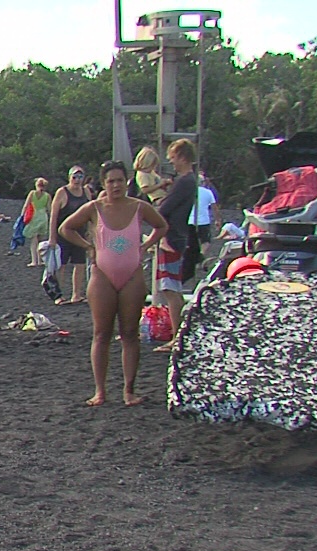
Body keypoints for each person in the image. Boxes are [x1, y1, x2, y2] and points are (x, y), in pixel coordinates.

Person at [59, 161, 169, 406]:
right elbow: (65, 228)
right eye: (111, 181)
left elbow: (161, 226)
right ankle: (100, 391)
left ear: (127, 181)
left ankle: (129, 390)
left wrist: (146, 246)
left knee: (130, 333)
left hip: (132, 275)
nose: (116, 185)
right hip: (102, 276)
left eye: (120, 180)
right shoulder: (94, 208)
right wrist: (88, 247)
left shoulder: (139, 207)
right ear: (103, 183)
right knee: (101, 333)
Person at [152, 139, 199, 353]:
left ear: (181, 156)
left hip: (172, 238)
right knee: (172, 289)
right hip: (177, 236)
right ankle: (178, 334)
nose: (171, 161)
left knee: (170, 289)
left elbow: (166, 208)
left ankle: (176, 337)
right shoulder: (188, 181)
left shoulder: (185, 181)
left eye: (172, 157)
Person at [48, 166, 92, 303]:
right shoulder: (62, 192)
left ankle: (76, 294)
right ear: (69, 178)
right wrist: (52, 237)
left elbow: (91, 213)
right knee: (61, 265)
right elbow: (53, 216)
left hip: (80, 233)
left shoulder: (86, 192)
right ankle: (59, 295)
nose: (77, 180)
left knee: (80, 264)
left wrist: (90, 231)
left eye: (80, 177)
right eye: (74, 177)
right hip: (63, 233)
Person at [186, 173, 219, 281]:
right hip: (204, 221)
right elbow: (214, 208)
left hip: (190, 220)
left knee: (192, 243)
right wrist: (218, 220)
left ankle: (195, 259)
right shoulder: (208, 193)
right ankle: (200, 257)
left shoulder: (190, 192)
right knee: (206, 242)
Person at [20, 178, 52, 268]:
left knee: (33, 240)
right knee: (41, 240)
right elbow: (49, 209)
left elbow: (26, 205)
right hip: (43, 217)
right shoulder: (47, 196)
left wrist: (22, 216)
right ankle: (41, 260)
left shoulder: (32, 193)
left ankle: (34, 261)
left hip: (34, 216)